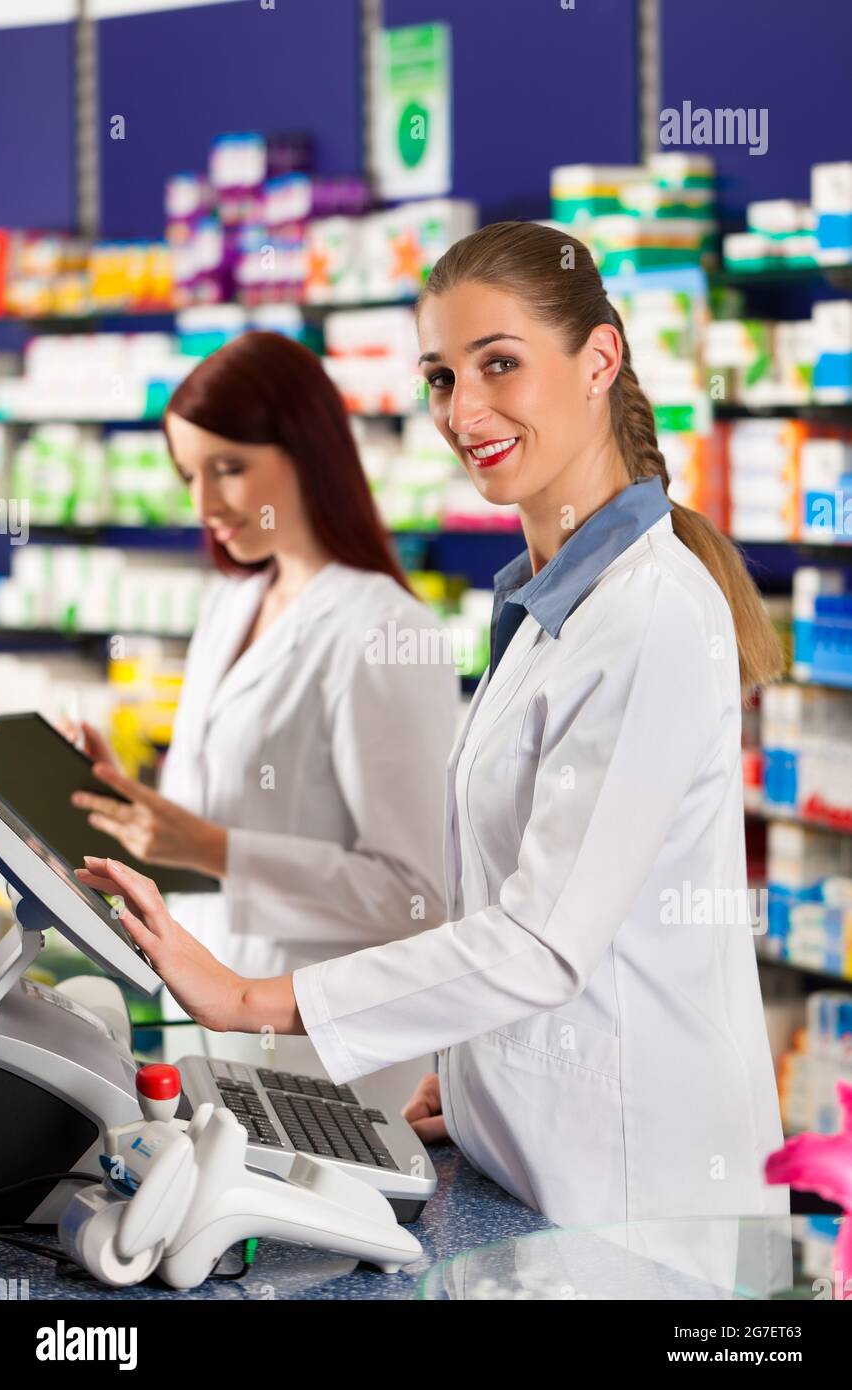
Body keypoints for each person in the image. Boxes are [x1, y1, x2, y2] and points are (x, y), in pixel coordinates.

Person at [78, 223, 790, 1227]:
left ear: (598, 361)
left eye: (498, 364)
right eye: (441, 378)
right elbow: (509, 893)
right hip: (526, 1156)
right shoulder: (546, 608)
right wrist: (477, 1079)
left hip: (638, 1190)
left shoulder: (650, 612)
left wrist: (252, 999)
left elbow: (541, 940)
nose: (465, 410)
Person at [67, 331, 459, 990]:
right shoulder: (232, 602)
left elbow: (418, 895)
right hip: (202, 1003)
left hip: (322, 1041)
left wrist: (211, 849)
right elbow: (218, 822)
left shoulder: (386, 632)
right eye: (191, 475)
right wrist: (129, 807)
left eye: (229, 469)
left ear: (307, 449)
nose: (204, 505)